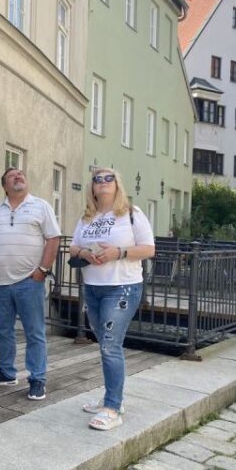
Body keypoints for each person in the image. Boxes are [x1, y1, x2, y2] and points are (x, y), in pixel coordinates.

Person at [68, 168, 155, 430]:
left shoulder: (131, 213)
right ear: (92, 187)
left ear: (117, 185)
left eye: (109, 178)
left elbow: (149, 249)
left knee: (110, 345)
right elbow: (73, 246)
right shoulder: (87, 217)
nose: (103, 182)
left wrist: (119, 252)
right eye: (98, 179)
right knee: (105, 343)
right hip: (93, 288)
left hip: (122, 288)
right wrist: (84, 253)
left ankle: (113, 408)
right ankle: (112, 397)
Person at [0, 168, 61, 401]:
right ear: (4, 185)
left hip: (29, 281)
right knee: (3, 330)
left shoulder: (41, 206)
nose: (19, 176)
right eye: (12, 175)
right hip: (1, 282)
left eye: (21, 174)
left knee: (34, 332)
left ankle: (37, 378)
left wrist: (43, 270)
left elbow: (53, 238)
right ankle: (6, 372)